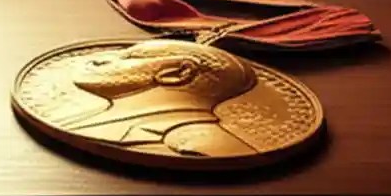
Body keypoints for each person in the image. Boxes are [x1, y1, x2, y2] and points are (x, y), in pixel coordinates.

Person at [62, 39, 261, 158]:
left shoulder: (204, 144)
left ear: (177, 73)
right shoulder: (95, 121)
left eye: (130, 57)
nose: (99, 58)